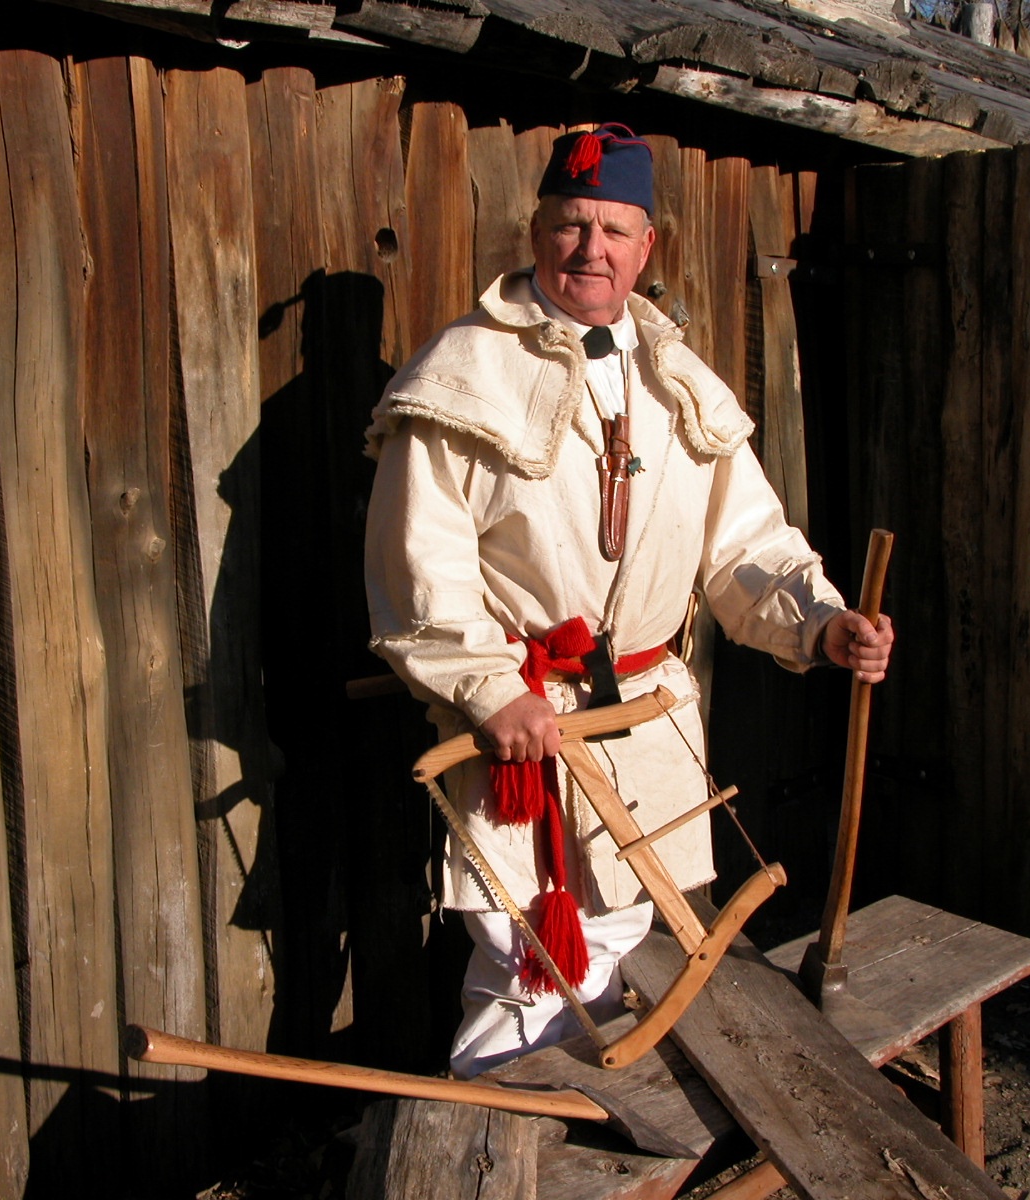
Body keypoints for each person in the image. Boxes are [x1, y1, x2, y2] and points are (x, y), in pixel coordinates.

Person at [363, 124, 893, 1078]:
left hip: (644, 724)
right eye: (572, 225)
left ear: (647, 247)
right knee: (526, 963)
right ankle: (489, 1137)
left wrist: (820, 623)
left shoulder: (677, 378)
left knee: (611, 946)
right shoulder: (461, 374)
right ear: (537, 232)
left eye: (614, 229)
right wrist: (489, 689)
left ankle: (568, 1131)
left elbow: (746, 547)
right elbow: (418, 561)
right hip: (525, 728)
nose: (591, 249)